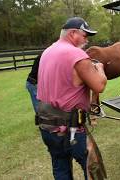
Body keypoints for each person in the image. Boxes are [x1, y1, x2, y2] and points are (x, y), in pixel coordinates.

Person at [36, 17, 107, 180]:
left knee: (60, 167)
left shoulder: (47, 51)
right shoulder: (77, 54)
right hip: (71, 128)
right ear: (73, 33)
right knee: (94, 168)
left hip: (46, 125)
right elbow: (99, 86)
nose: (87, 40)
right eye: (85, 35)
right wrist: (100, 68)